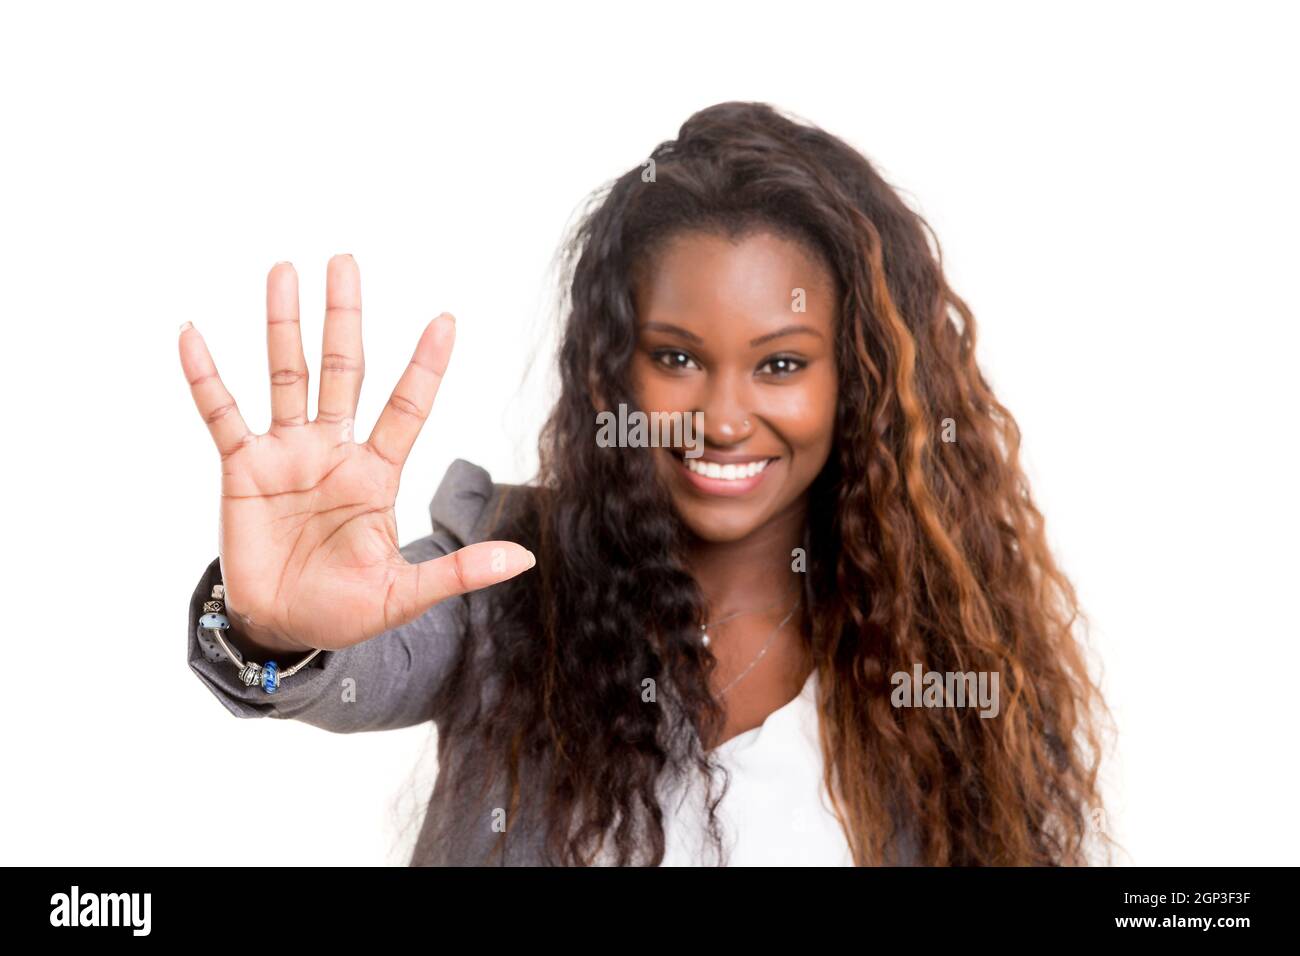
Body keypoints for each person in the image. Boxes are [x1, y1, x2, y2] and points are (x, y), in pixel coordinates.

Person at [177, 101, 1114, 866]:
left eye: (781, 365)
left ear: (853, 379)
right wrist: (267, 626)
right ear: (613, 370)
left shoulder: (941, 661)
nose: (724, 416)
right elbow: (351, 661)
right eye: (677, 356)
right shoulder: (500, 580)